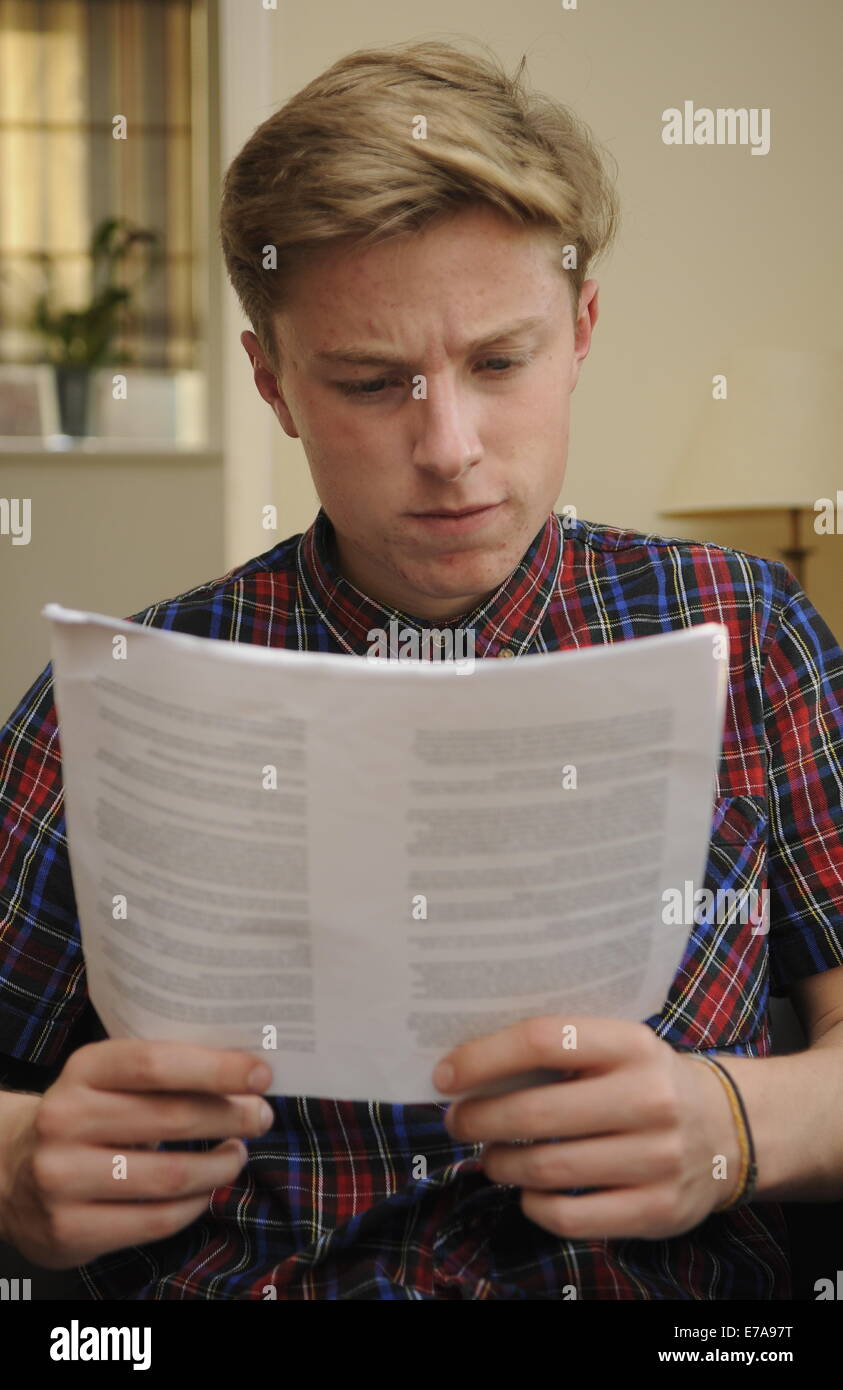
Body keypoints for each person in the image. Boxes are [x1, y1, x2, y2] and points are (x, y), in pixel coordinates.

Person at [1, 38, 842, 1302]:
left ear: (582, 332)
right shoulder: (120, 693)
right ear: (273, 383)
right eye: (368, 381)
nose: (448, 448)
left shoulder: (752, 631)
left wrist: (735, 1124)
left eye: (500, 364)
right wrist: (19, 1161)